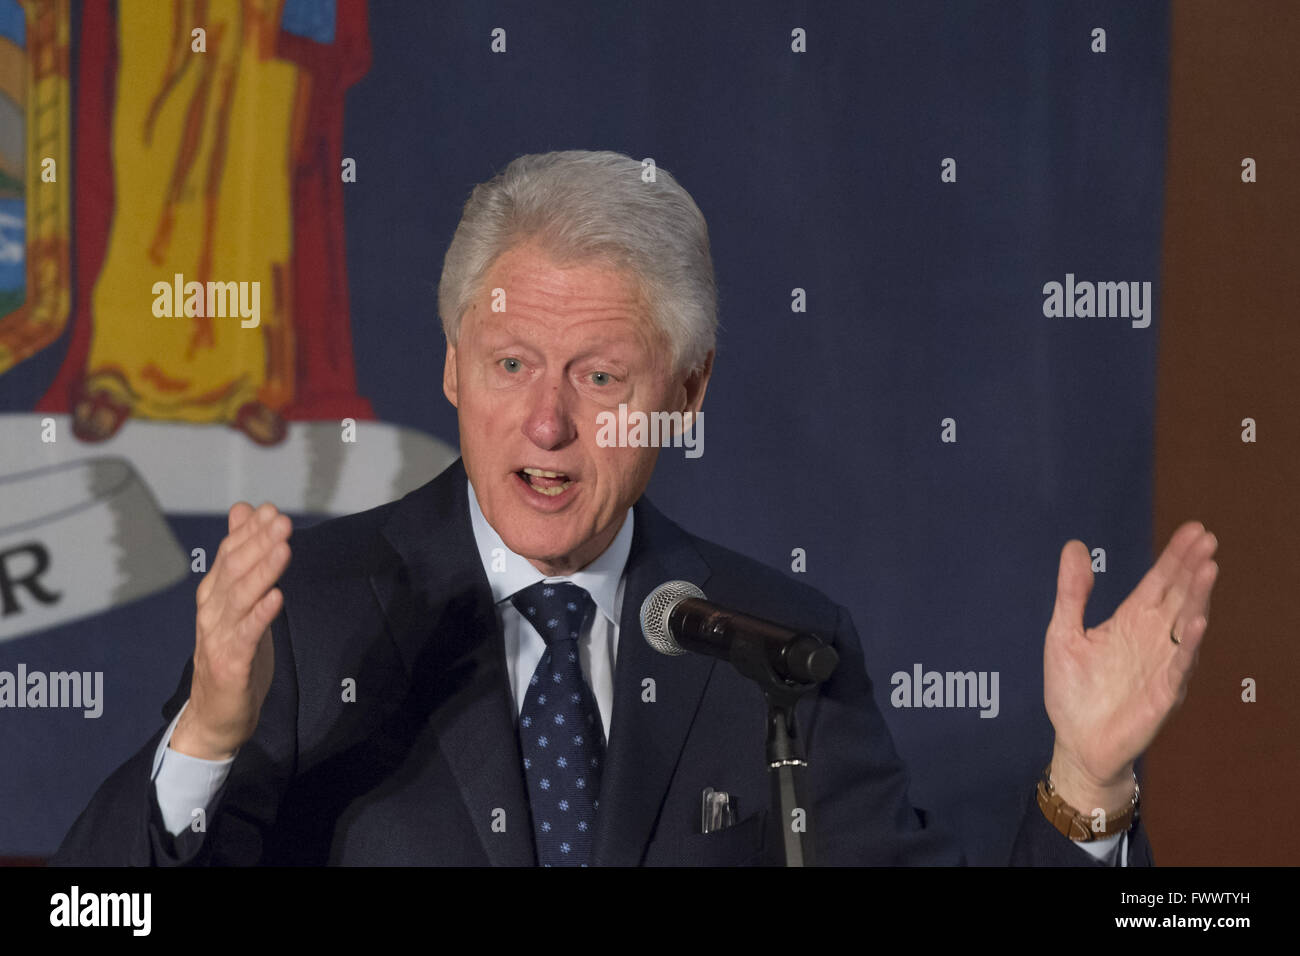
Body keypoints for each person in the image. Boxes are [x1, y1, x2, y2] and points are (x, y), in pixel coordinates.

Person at [54, 150, 1218, 866]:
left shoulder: (775, 649)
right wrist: (206, 733)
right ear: (453, 364)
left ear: (687, 387)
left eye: (601, 376)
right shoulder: (307, 619)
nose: (548, 423)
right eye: (510, 364)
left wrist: (1088, 781)